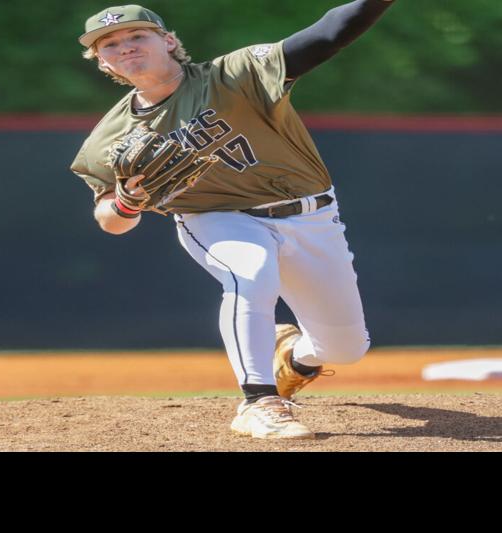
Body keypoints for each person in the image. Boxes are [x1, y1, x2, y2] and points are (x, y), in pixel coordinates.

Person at [70, 2, 396, 440]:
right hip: (216, 217)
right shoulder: (107, 140)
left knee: (345, 348)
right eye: (110, 45)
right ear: (102, 61)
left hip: (311, 215)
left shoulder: (234, 75)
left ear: (168, 41)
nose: (124, 47)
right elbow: (110, 221)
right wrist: (126, 202)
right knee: (251, 275)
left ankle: (292, 357)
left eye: (137, 36)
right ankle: (259, 402)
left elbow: (326, 35)